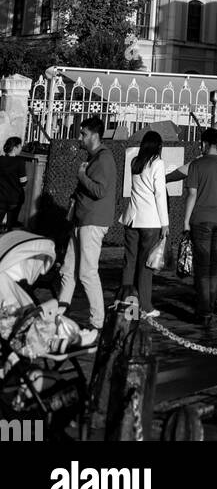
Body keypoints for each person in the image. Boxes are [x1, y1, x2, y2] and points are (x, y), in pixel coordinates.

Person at [58, 116, 117, 339]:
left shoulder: (104, 159)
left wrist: (81, 176)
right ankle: (61, 313)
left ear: (94, 135)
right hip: (82, 220)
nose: (80, 137)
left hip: (93, 221)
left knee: (86, 272)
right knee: (67, 271)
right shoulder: (95, 158)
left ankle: (97, 321)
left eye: (83, 133)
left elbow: (100, 190)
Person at [182, 126, 217, 335]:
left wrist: (186, 221)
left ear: (205, 144)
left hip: (201, 219)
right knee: (216, 265)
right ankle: (212, 304)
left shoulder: (197, 165)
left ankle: (203, 308)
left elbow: (192, 195)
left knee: (202, 265)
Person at [120, 130, 168, 319]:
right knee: (146, 265)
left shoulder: (135, 162)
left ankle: (126, 302)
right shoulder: (157, 163)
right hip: (151, 220)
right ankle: (145, 306)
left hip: (132, 217)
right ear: (158, 146)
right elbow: (159, 194)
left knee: (129, 262)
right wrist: (165, 223)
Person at [0, 137, 27, 231]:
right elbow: (23, 182)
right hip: (14, 198)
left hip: (1, 197)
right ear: (14, 148)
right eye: (20, 146)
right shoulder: (20, 162)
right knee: (10, 225)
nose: (21, 148)